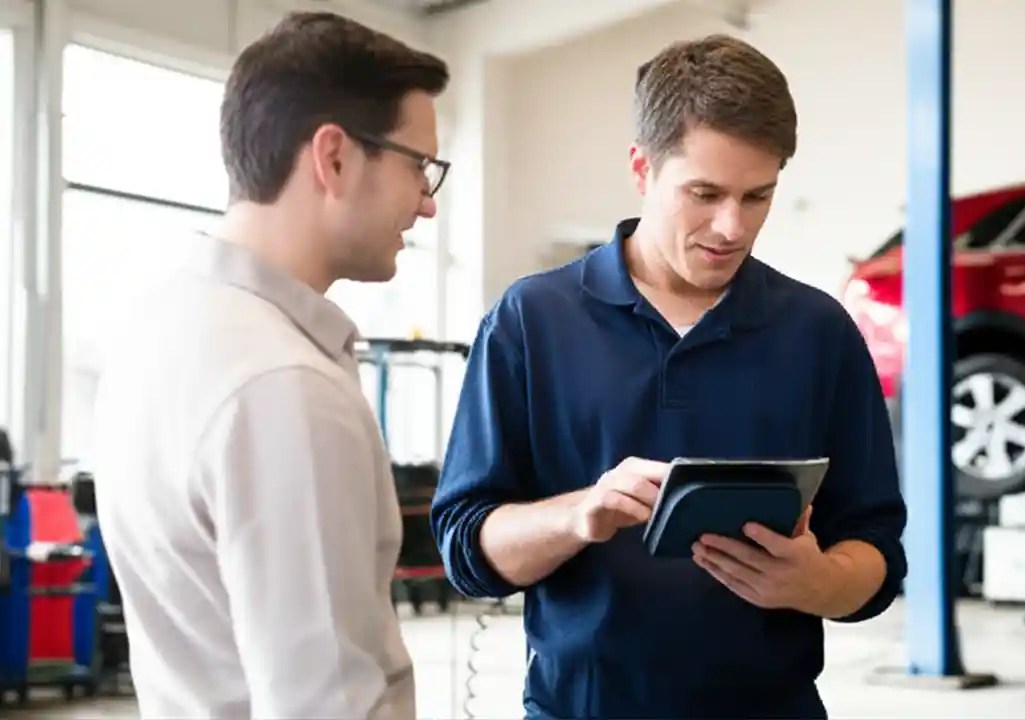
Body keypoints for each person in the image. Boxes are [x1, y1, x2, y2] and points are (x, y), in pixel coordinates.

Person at [430, 33, 907, 720]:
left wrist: (815, 583)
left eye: (758, 196)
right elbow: (466, 550)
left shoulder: (818, 332)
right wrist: (580, 515)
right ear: (641, 169)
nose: (730, 227)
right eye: (704, 193)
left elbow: (877, 555)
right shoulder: (532, 321)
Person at [90, 12, 449, 718]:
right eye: (419, 167)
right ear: (335, 158)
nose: (428, 204)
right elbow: (325, 704)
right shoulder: (283, 387)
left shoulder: (160, 328)